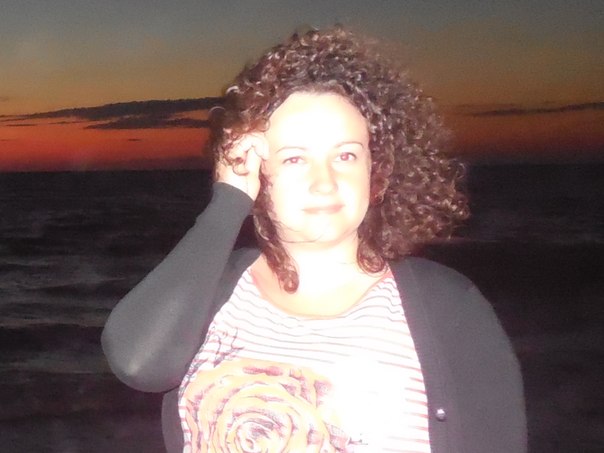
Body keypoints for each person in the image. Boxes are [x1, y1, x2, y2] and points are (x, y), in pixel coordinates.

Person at [102, 26, 526, 452]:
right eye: (294, 158)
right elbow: (139, 364)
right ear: (259, 172)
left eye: (346, 155)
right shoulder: (211, 291)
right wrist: (229, 198)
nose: (325, 182)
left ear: (375, 170)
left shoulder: (448, 305)